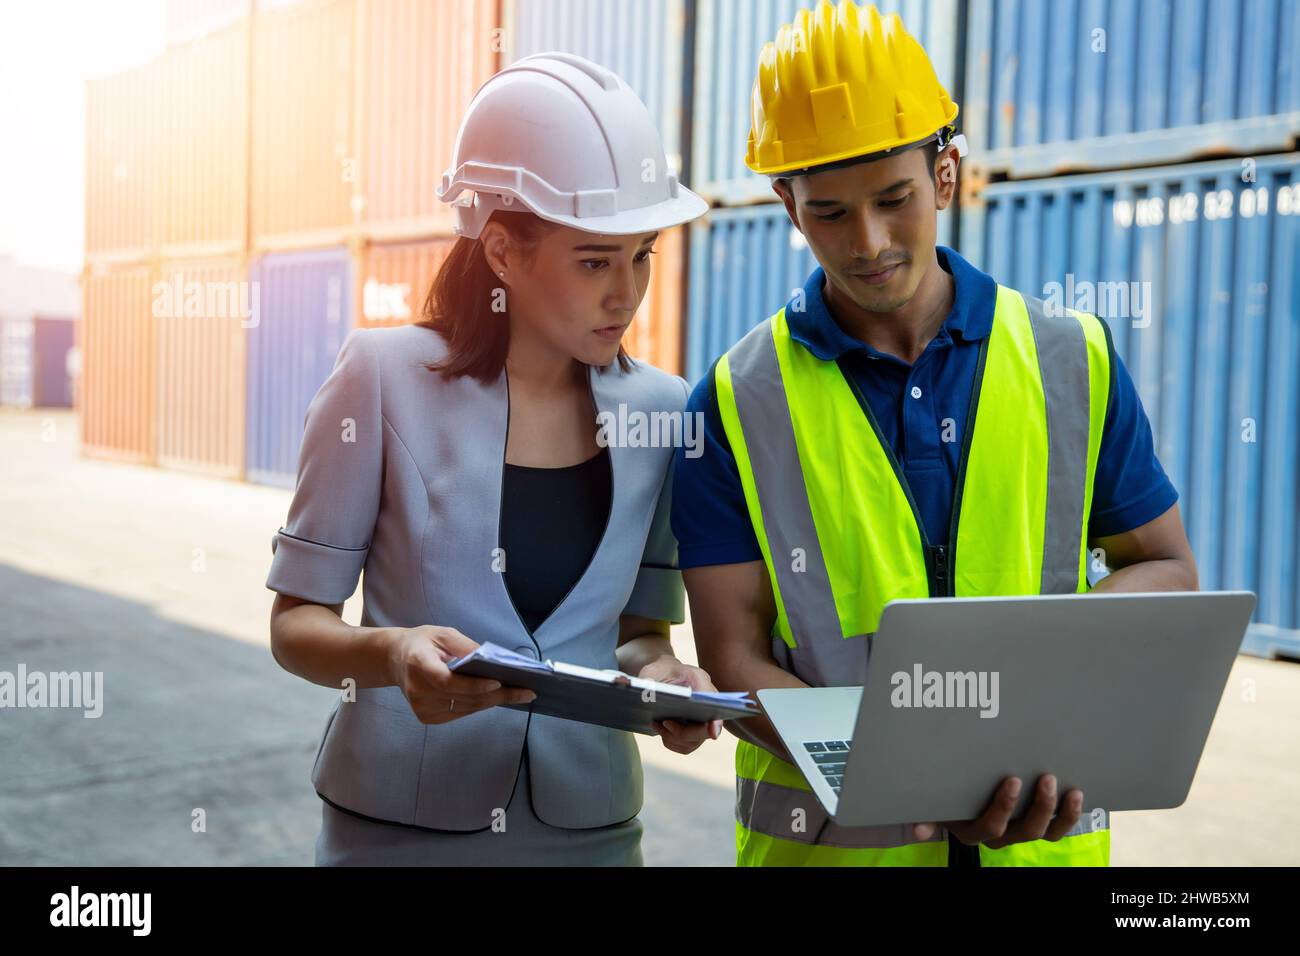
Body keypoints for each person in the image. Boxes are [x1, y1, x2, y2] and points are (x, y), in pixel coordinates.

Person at [671, 0, 1198, 867]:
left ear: (946, 175)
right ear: (788, 207)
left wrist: (1033, 694)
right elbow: (733, 655)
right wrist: (917, 769)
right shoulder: (732, 402)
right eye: (831, 212)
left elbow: (1167, 571)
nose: (869, 243)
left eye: (894, 198)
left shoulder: (1074, 360)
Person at [266, 52, 715, 865]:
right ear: (503, 251)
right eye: (594, 260)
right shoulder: (379, 379)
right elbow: (296, 626)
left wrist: (666, 676)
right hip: (398, 828)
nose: (627, 291)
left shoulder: (663, 410)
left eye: (642, 253)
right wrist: (391, 652)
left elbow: (638, 631)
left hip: (591, 831)